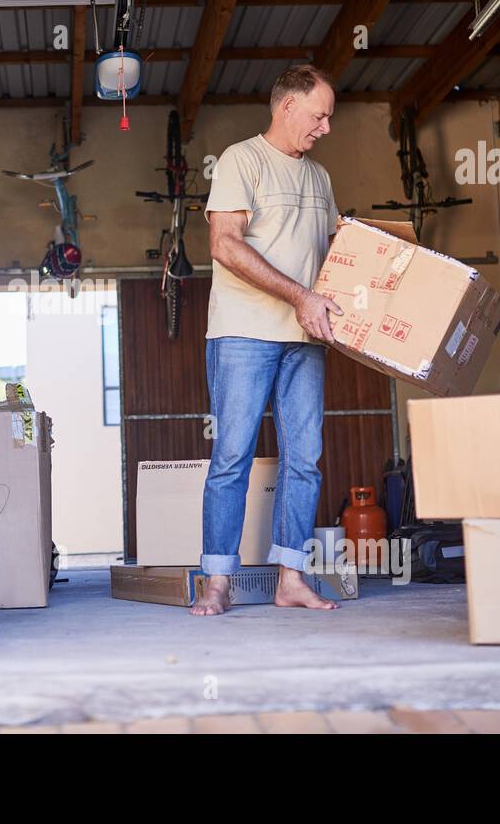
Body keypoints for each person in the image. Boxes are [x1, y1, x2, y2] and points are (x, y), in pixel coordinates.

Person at [191, 63, 343, 616]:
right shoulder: (242, 160)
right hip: (243, 333)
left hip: (305, 338)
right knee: (232, 456)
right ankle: (218, 582)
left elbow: (334, 257)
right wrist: (299, 296)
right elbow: (225, 245)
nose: (325, 127)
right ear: (287, 107)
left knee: (305, 459)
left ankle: (291, 579)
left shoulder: (320, 179)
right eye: (319, 115)